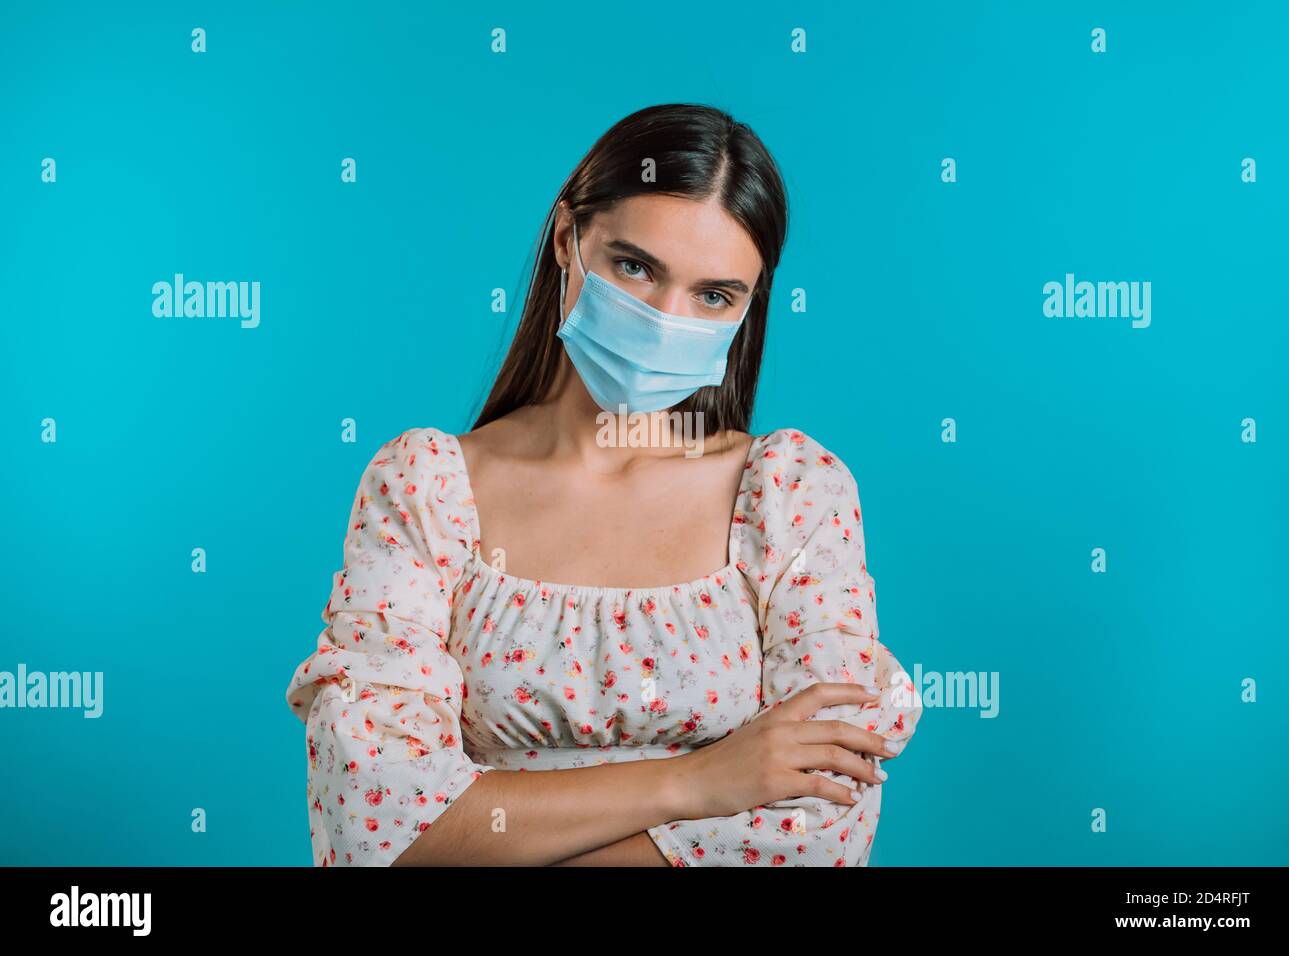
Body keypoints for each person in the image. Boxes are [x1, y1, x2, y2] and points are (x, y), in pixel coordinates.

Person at [285, 103, 923, 866]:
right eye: (635, 267)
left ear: (748, 309)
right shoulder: (426, 487)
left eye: (712, 296)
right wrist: (703, 780)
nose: (663, 318)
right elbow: (376, 823)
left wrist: (491, 833)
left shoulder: (791, 496)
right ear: (566, 239)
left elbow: (820, 825)